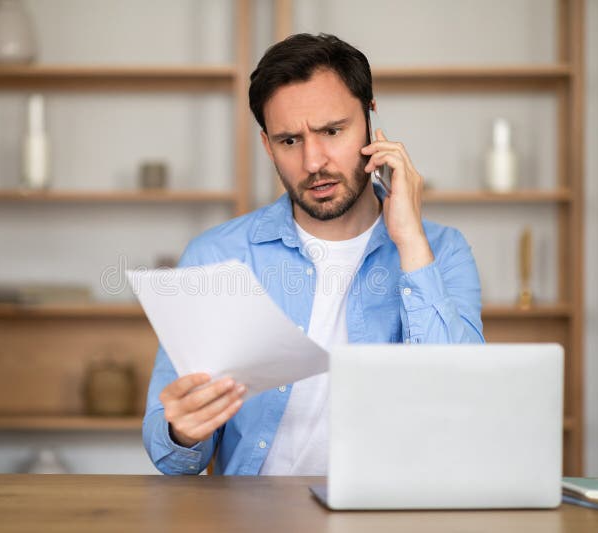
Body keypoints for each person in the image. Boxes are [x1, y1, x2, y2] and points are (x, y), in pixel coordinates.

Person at [142, 33, 484, 476]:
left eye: (332, 131)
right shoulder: (216, 255)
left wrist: (410, 241)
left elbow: (464, 409)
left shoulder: (441, 250)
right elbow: (170, 456)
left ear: (370, 118)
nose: (313, 162)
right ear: (267, 146)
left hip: (390, 515)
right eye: (289, 141)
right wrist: (182, 431)